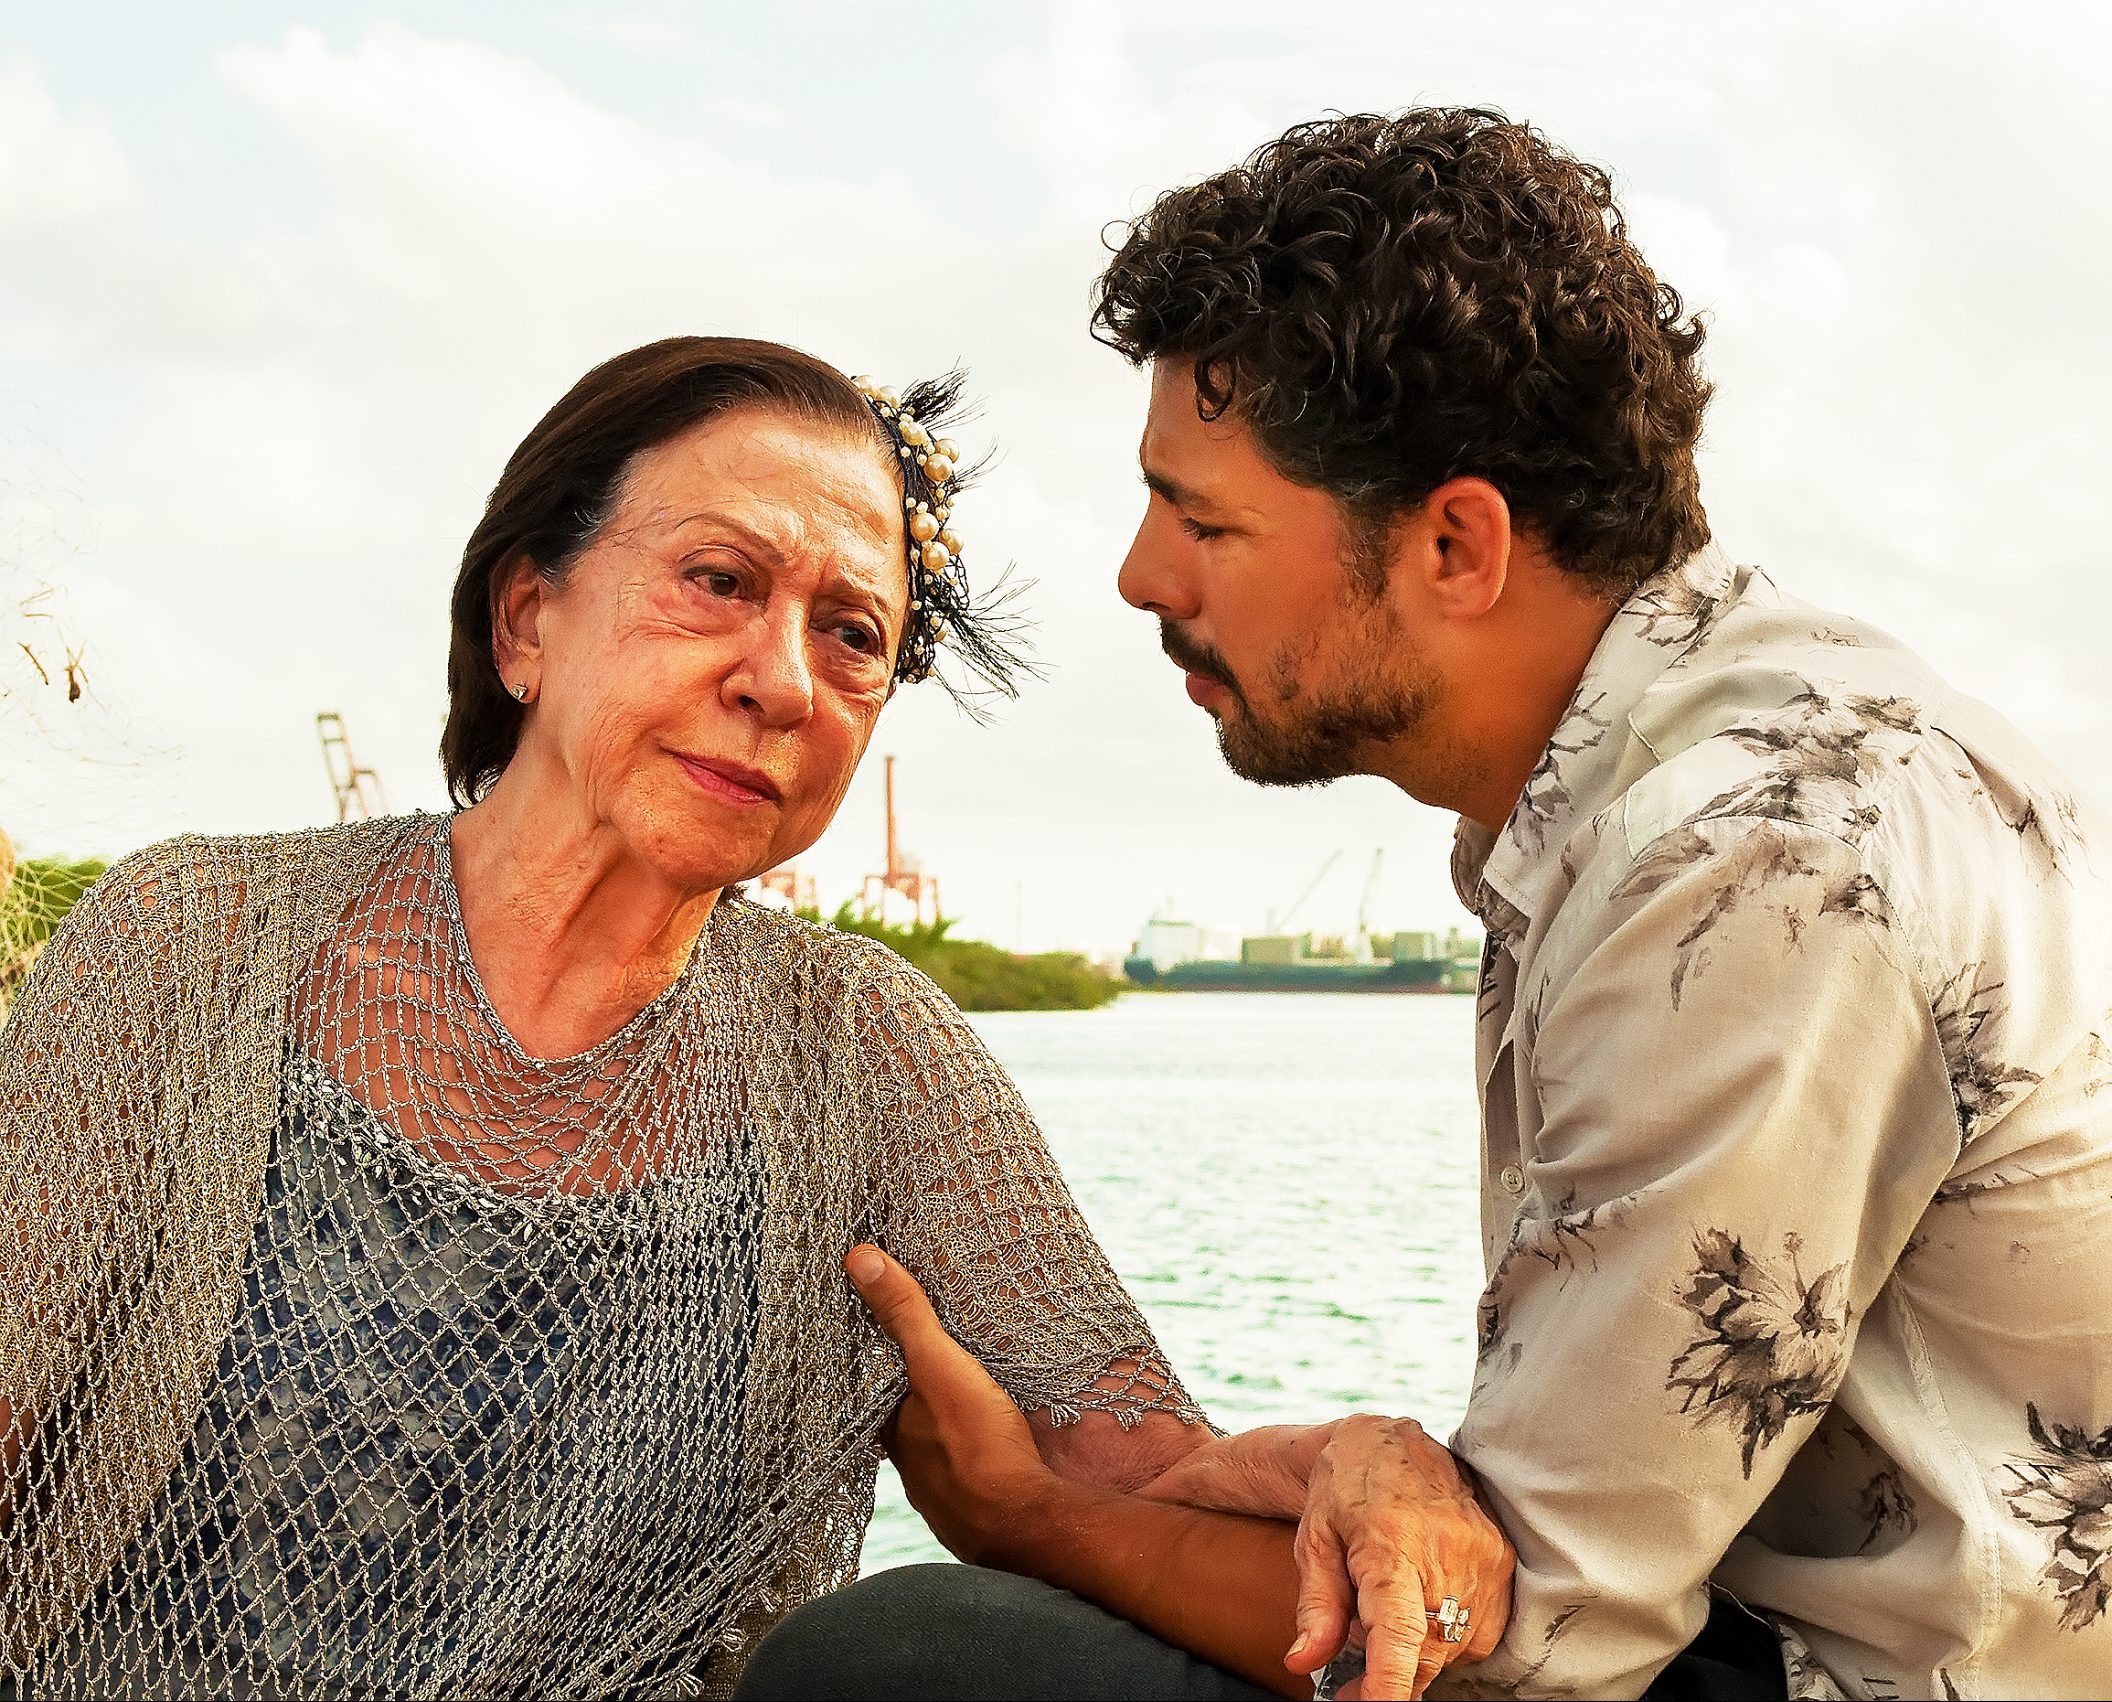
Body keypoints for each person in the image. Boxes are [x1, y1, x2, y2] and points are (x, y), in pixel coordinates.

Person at [742, 111, 2112, 1700]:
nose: (1139, 575)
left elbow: (1518, 1652)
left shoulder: (1747, 863)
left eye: (1205, 522)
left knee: (903, 1662)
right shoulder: (1738, 747)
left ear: (1457, 542)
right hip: (1786, 1627)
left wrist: (1031, 1517)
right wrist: (1367, 1457)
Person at [0, 336, 1400, 1700]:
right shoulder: (197, 942)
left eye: (853, 635)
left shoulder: (864, 1055)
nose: (783, 680)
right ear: (526, 620)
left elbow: (1149, 1470)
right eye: (717, 581)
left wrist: (1365, 1468)